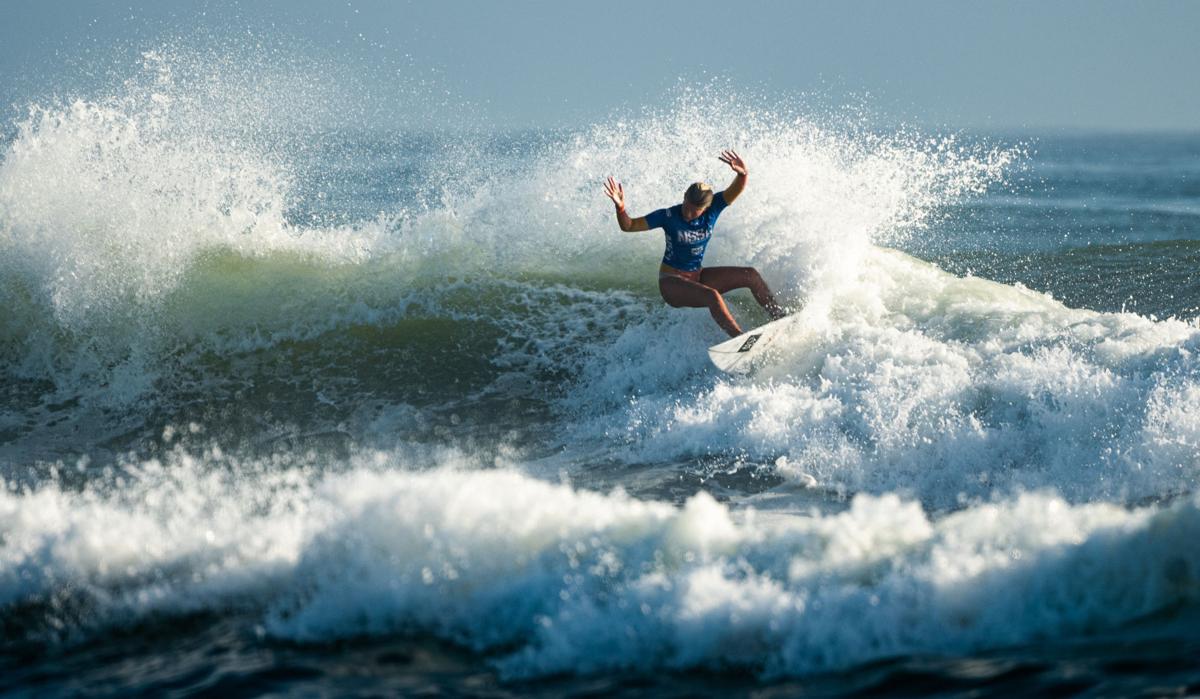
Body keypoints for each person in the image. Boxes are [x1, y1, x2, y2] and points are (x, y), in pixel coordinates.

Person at [603, 150, 784, 337]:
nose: (688, 213)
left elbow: (735, 190)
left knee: (751, 275)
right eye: (686, 206)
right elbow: (629, 226)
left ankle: (779, 316)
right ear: (684, 197)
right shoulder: (668, 216)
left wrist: (742, 174)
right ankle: (740, 338)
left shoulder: (713, 209)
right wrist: (621, 207)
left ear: (705, 208)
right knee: (712, 296)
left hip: (697, 277)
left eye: (694, 210)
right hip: (672, 283)